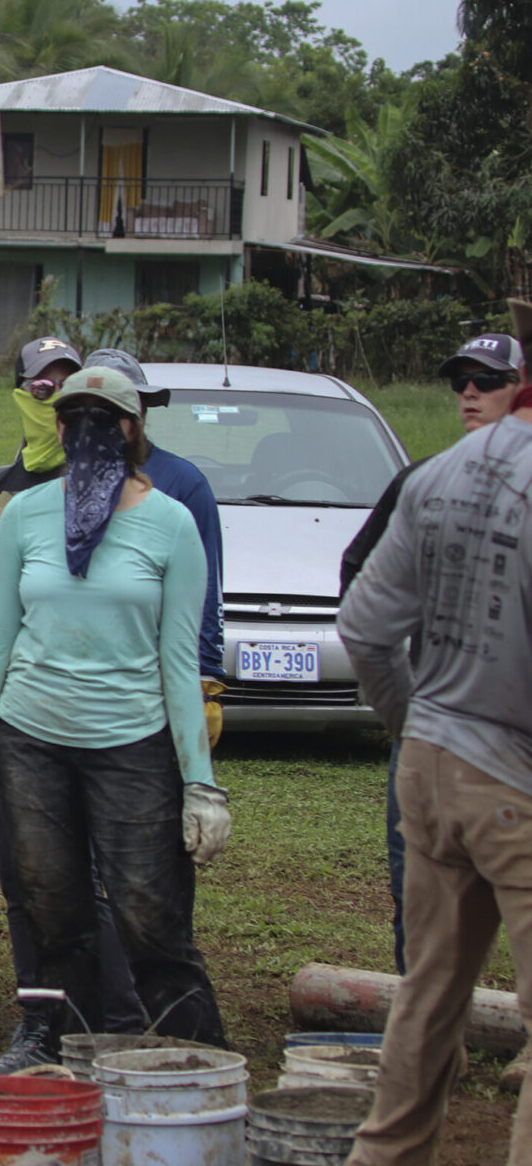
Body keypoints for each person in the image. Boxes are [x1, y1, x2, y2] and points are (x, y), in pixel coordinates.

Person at [0, 365, 231, 1056]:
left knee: (150, 917)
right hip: (30, 741)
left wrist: (200, 782)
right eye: (73, 419)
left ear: (132, 430)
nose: (85, 432)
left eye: (104, 419)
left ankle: (201, 1056)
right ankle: (50, 1041)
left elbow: (179, 662)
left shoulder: (171, 525)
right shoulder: (25, 515)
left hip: (133, 745)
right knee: (51, 908)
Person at [338, 379, 532, 1166]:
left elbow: (363, 626)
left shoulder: (439, 473)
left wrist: (412, 725)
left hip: (429, 763)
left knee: (427, 994)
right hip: (516, 778)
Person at [0, 336, 144, 1071]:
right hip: (16, 724)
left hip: (114, 728)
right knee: (28, 883)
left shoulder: (149, 493)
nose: (56, 401)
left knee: (105, 885)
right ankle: (43, 1025)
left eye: (67, 385)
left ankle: (120, 1023)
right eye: (43, 388)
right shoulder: (8, 494)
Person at [82, 349, 226, 743]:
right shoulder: (58, 481)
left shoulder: (183, 482)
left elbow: (206, 584)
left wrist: (205, 673)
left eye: (127, 406)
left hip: (153, 676)